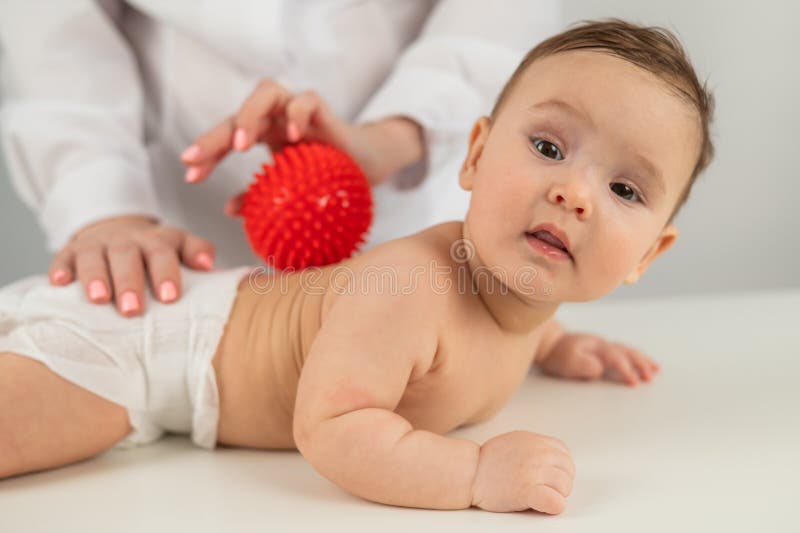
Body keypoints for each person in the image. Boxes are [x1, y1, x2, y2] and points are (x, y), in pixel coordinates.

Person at [0, 19, 714, 515]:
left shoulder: (522, 300)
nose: (574, 192)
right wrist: (473, 473)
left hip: (175, 329)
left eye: (625, 189)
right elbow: (333, 425)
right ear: (472, 156)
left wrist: (558, 346)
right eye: (550, 148)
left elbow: (509, 327)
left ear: (648, 253)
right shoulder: (410, 287)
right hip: (142, 344)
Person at [0, 0, 561, 317]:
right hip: (164, 238)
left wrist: (389, 140)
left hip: (413, 214)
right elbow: (53, 28)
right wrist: (107, 207)